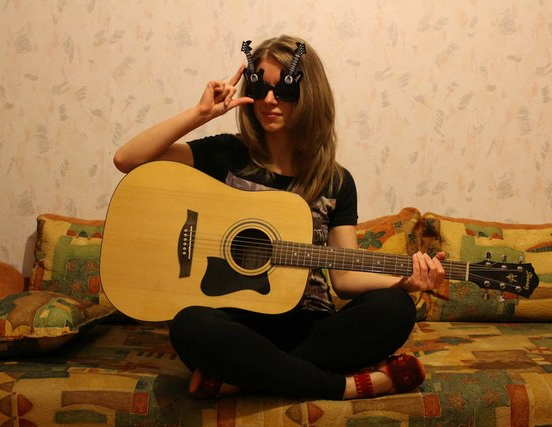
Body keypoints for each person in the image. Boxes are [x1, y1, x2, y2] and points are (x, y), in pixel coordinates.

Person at [113, 35, 446, 400]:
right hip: (236, 324)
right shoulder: (227, 154)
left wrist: (405, 282)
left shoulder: (335, 180)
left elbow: (345, 278)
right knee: (190, 325)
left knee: (396, 309)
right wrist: (200, 114)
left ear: (309, 94)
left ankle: (245, 377)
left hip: (307, 324)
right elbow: (128, 160)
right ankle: (342, 386)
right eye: (260, 88)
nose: (269, 100)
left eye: (285, 90)